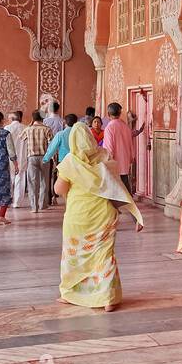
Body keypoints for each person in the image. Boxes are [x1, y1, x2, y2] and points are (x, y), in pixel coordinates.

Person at [55, 122, 143, 311]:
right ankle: (107, 298)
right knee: (104, 255)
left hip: (79, 216)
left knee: (75, 256)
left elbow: (59, 188)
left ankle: (71, 293)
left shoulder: (71, 162)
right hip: (104, 215)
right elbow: (116, 187)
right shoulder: (104, 157)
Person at [23, 110, 51, 212]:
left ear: (33, 118)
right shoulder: (47, 129)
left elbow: (21, 138)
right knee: (44, 181)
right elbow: (51, 144)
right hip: (44, 157)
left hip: (32, 157)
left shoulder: (28, 129)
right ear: (42, 118)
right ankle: (42, 205)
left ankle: (34, 207)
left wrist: (30, 125)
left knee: (32, 182)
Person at [102, 102, 135, 190]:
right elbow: (130, 143)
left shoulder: (109, 128)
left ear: (108, 114)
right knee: (124, 186)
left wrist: (108, 162)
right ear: (120, 113)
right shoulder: (125, 126)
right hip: (125, 161)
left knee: (116, 191)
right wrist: (131, 157)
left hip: (114, 163)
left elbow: (109, 149)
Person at [6, 110, 28, 208]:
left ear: (12, 118)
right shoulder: (25, 128)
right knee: (20, 178)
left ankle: (8, 200)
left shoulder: (7, 128)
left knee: (9, 178)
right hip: (22, 156)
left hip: (9, 157)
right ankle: (17, 202)